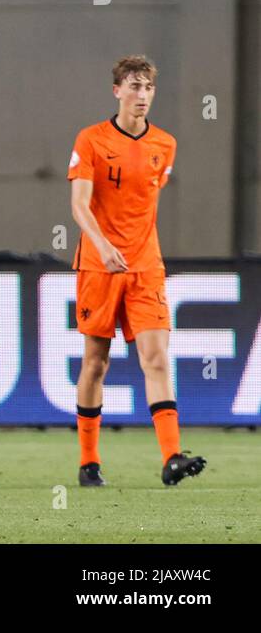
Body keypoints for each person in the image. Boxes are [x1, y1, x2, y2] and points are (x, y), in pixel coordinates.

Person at [68, 54, 205, 487]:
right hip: (99, 266)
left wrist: (132, 247)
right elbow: (79, 205)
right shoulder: (91, 140)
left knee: (156, 358)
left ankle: (172, 458)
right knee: (96, 363)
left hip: (145, 266)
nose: (141, 95)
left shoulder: (164, 145)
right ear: (117, 91)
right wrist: (104, 245)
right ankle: (89, 462)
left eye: (147, 87)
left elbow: (145, 202)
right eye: (133, 86)